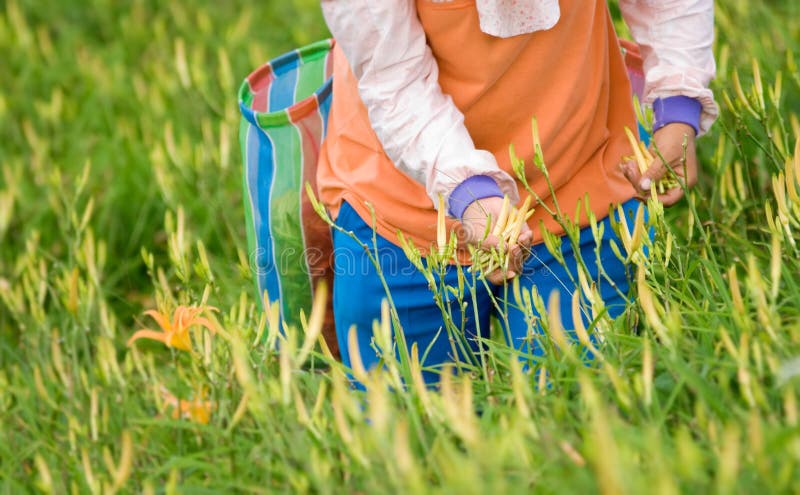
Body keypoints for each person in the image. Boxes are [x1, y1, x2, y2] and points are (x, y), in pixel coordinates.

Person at [317, 0, 717, 383]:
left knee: (574, 413)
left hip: (575, 185)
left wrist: (679, 104)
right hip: (401, 207)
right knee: (413, 427)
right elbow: (395, 84)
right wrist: (470, 193)